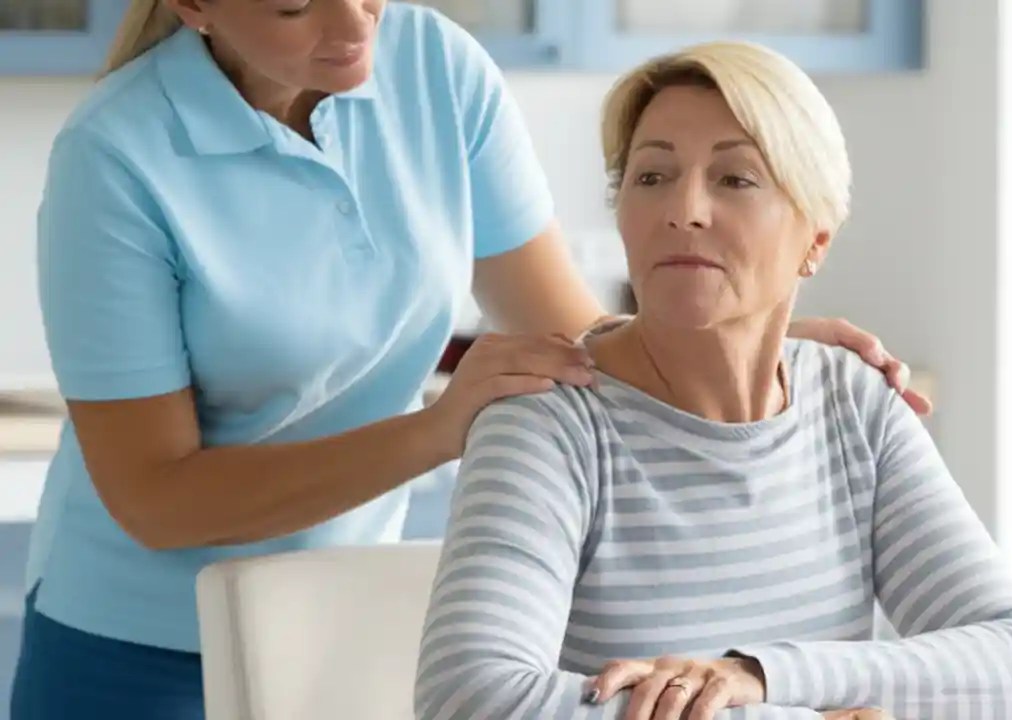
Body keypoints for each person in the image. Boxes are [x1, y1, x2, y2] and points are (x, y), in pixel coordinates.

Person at [8, 2, 927, 718]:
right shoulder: (116, 155)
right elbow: (157, 499)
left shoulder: (437, 68)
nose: (352, 26)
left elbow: (573, 334)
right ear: (195, 7)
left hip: (344, 619)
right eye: (295, 9)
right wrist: (440, 429)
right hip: (134, 649)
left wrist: (751, 320)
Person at [414, 40, 1012, 720]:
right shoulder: (549, 420)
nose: (683, 209)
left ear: (815, 240)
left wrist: (761, 674)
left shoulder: (854, 403)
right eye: (652, 176)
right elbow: (470, 700)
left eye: (736, 179)